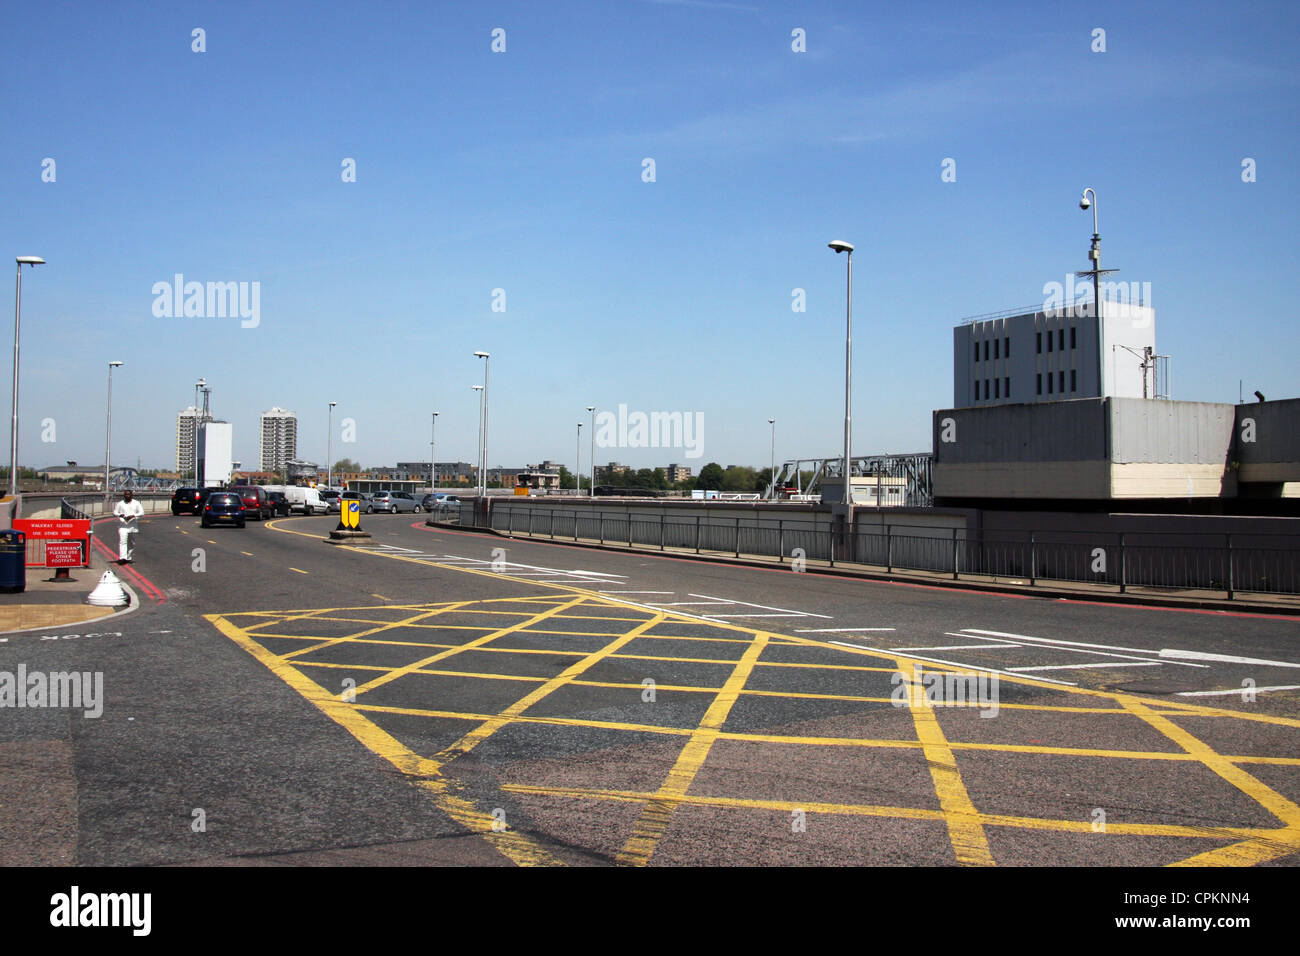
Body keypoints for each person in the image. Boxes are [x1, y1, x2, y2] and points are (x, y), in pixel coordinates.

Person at [113, 489, 145, 563]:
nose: (127, 496)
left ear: (131, 495)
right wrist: (119, 515)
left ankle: (128, 557)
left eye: (128, 494)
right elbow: (115, 512)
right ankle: (122, 558)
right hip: (123, 526)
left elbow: (142, 512)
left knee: (131, 543)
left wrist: (133, 516)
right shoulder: (120, 503)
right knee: (122, 541)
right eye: (125, 494)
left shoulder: (136, 503)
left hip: (132, 526)